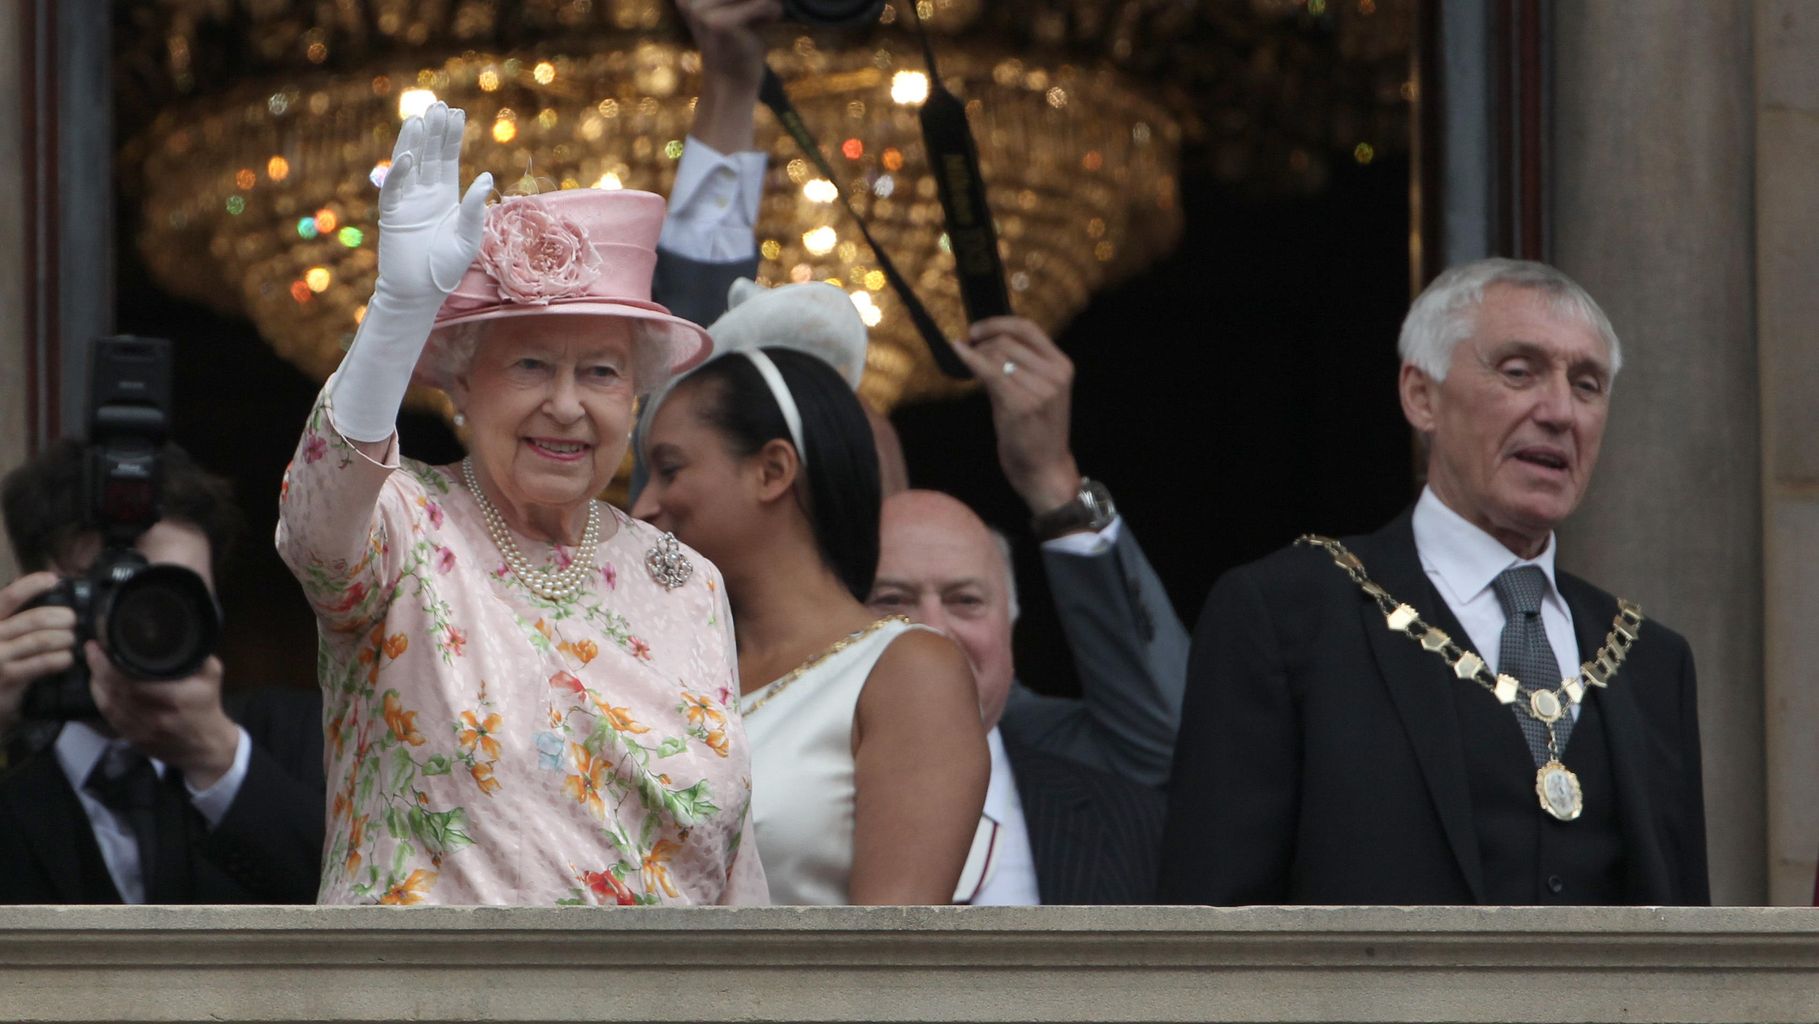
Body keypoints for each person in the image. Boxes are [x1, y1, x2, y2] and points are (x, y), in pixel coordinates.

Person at [276, 102, 765, 905]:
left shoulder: (687, 580)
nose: (568, 406)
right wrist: (397, 316)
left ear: (637, 398)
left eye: (602, 373)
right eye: (531, 365)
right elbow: (315, 527)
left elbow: (735, 864)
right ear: (462, 384)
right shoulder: (405, 525)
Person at [1158, 258, 1709, 906]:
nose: (1559, 411)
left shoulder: (1648, 661)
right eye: (1518, 372)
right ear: (1421, 395)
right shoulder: (1286, 615)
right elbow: (1208, 932)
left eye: (1586, 385)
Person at [632, 281, 989, 905]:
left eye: (671, 469)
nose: (644, 507)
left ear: (772, 470)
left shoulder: (908, 672)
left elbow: (890, 966)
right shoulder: (659, 671)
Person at [866, 318, 1189, 904]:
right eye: (893, 601)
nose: (934, 630)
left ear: (1011, 621)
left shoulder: (1080, 783)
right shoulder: (766, 776)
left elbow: (1161, 738)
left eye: (966, 601)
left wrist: (1052, 482)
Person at [0, 441, 324, 904]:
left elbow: (364, 909)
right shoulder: (14, 772)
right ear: (37, 597)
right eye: (115, 593)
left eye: (169, 596)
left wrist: (219, 759)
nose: (144, 623)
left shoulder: (297, 736)